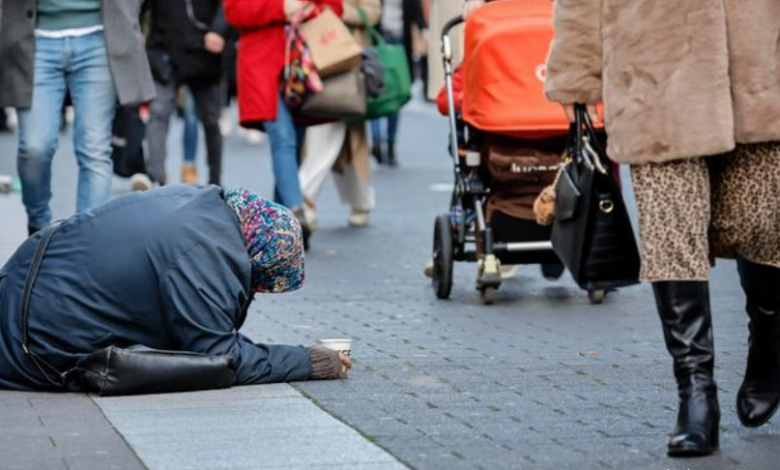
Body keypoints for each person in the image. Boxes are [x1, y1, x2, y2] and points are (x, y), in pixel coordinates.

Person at [546, 0, 780, 458]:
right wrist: (577, 71)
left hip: (760, 66)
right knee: (670, 234)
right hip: (652, 71)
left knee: (764, 225)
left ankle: (770, 342)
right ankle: (696, 393)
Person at [0, 186, 352, 391]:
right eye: (259, 283)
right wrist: (310, 361)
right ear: (259, 260)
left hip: (23, 286)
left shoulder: (205, 205)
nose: (255, 293)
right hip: (32, 345)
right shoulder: (204, 257)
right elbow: (219, 358)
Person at [0, 0, 155, 235]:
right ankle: (38, 227)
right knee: (34, 147)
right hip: (35, 37)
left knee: (95, 149)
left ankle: (83, 243)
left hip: (99, 37)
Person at [224, 0, 343, 250]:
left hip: (303, 65)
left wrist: (311, 8)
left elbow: (335, 8)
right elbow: (235, 11)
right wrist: (280, 7)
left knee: (295, 143)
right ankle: (295, 213)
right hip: (262, 65)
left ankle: (280, 227)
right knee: (283, 137)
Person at [299, 0, 381, 229]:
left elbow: (372, 14)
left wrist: (339, 10)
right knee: (331, 135)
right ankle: (359, 202)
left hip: (349, 63)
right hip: (317, 60)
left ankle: (305, 201)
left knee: (336, 133)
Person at [144, 0, 231, 188]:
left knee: (210, 119)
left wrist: (218, 30)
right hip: (164, 51)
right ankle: (156, 177)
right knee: (158, 112)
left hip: (203, 53)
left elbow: (227, 5)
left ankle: (215, 182)